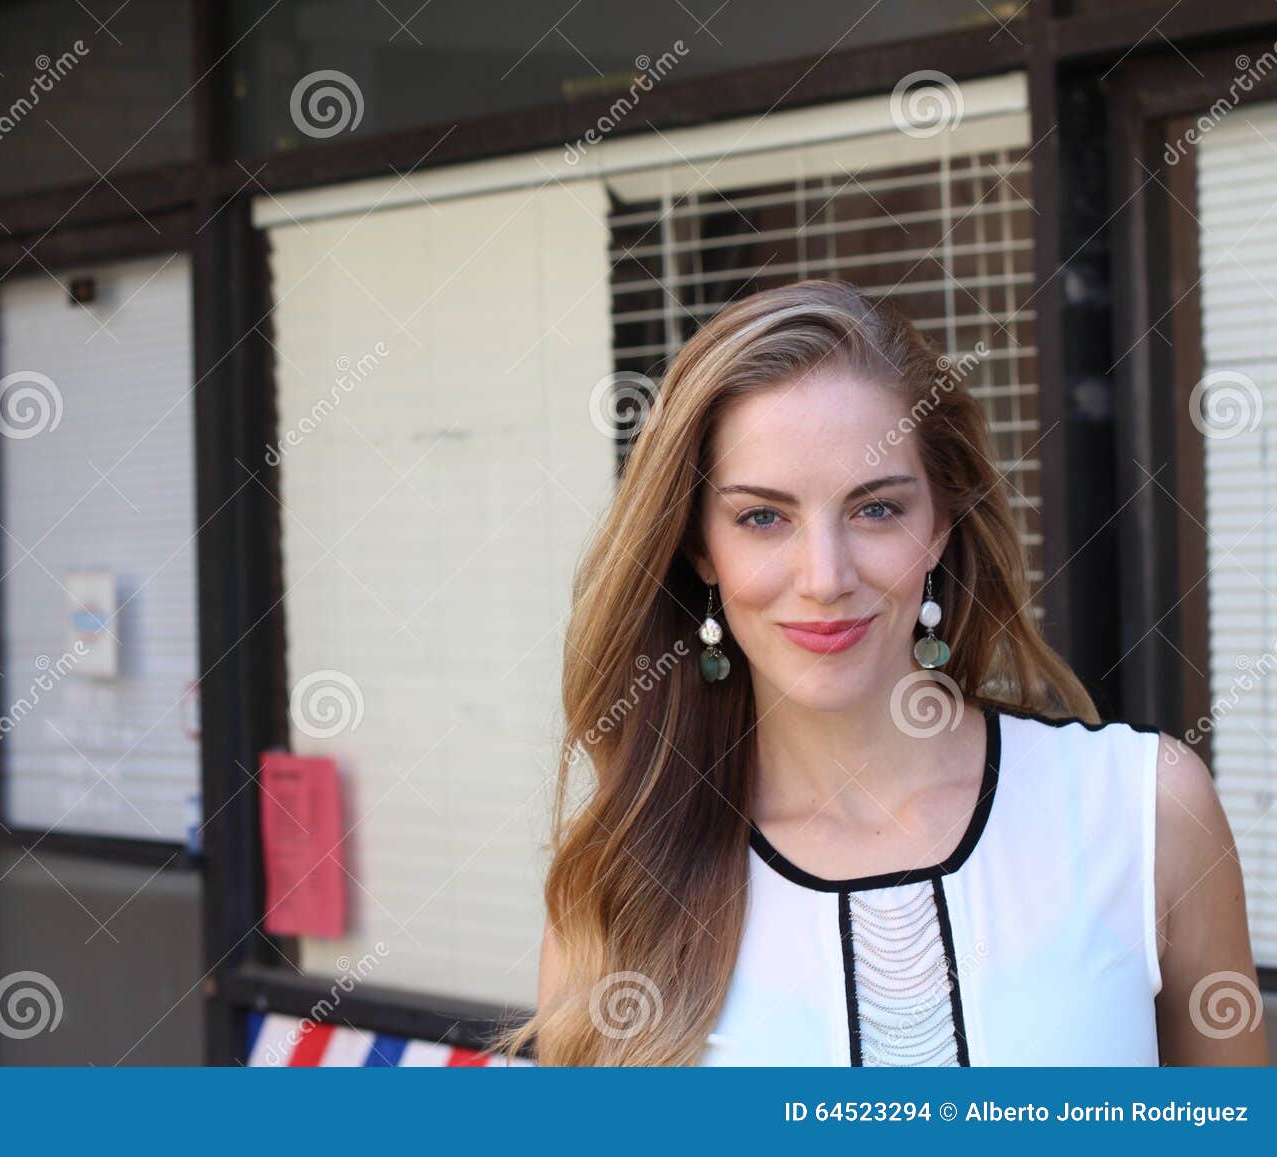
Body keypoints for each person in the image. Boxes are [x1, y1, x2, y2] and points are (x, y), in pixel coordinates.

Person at [494, 279, 1265, 1066]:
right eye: (763, 516)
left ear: (939, 525)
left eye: (876, 509)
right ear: (701, 550)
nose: (825, 576)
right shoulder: (621, 882)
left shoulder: (1148, 809)